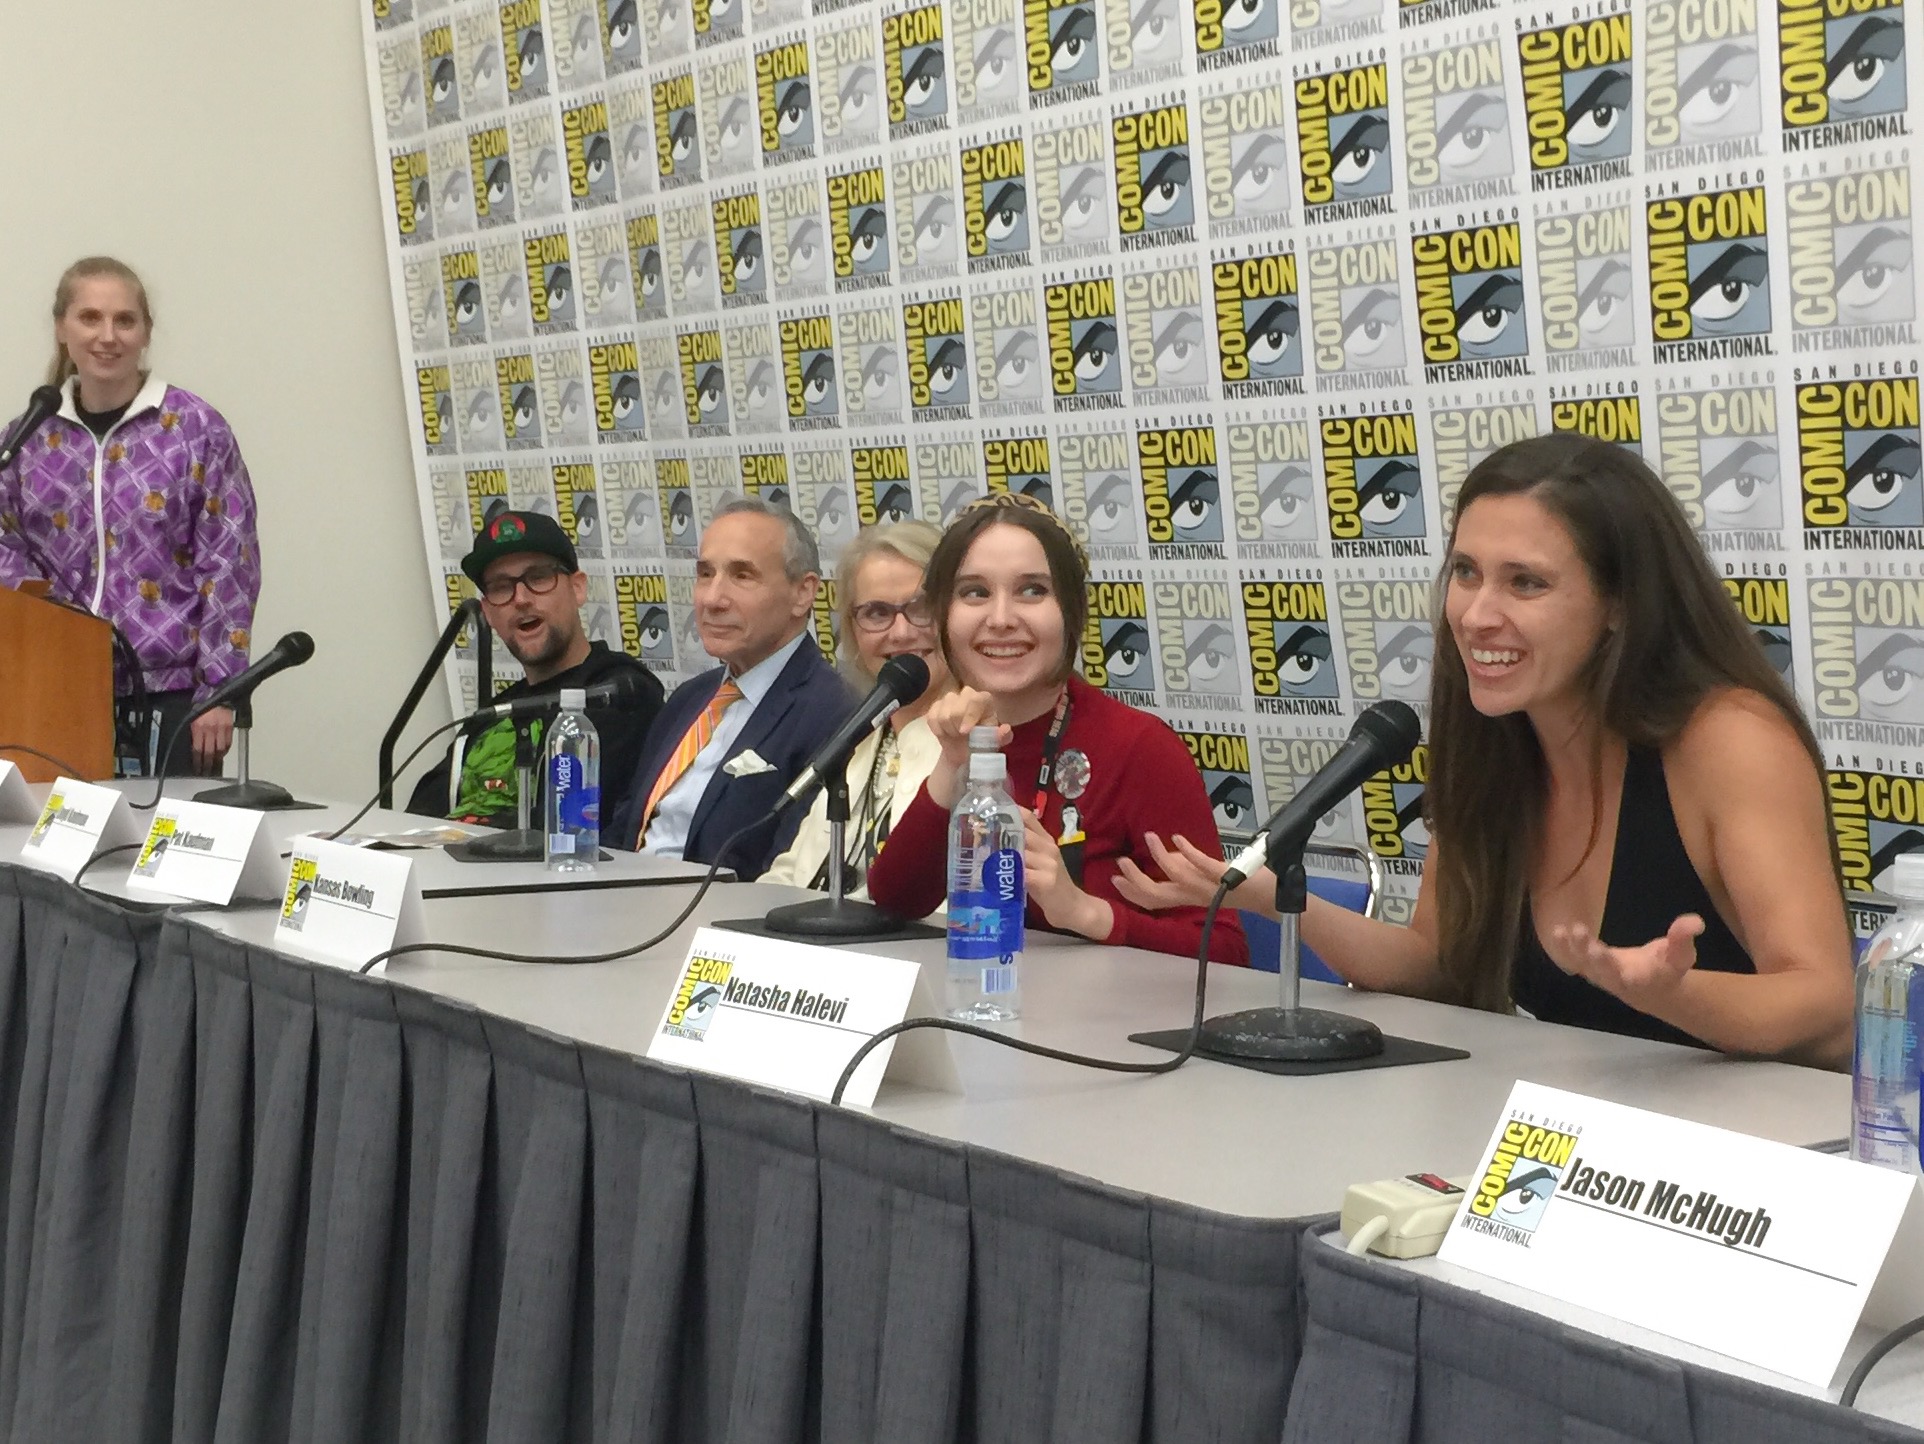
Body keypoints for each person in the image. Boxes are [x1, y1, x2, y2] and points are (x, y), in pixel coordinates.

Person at [1116, 435, 1854, 1065]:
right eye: (1465, 572)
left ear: (1619, 606)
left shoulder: (1728, 738)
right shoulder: (1497, 734)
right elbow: (1437, 963)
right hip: (1598, 1130)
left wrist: (1672, 993)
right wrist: (1275, 899)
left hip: (1767, 1150)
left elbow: (1823, 1001)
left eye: (1525, 582)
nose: (1476, 614)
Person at [864, 493, 1247, 963]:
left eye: (1032, 591)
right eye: (975, 592)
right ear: (943, 616)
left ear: (1071, 612)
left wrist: (1087, 914)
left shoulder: (1138, 747)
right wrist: (953, 766)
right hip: (979, 1006)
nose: (1001, 619)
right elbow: (896, 901)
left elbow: (1228, 955)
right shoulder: (951, 732)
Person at [0, 257, 260, 776]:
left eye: (124, 320)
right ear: (61, 329)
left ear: (144, 333)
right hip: (56, 684)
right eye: (90, 318)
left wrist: (221, 690)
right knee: (56, 846)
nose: (107, 336)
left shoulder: (194, 429)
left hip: (171, 689)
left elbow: (230, 563)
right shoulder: (32, 435)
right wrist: (43, 605)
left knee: (160, 849)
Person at [610, 497, 851, 878]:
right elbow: (624, 829)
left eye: (742, 576)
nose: (712, 599)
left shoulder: (833, 711)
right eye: (705, 574)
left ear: (803, 593)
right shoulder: (689, 698)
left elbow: (792, 870)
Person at [408, 510, 664, 828]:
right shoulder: (493, 715)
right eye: (501, 587)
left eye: (538, 578)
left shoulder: (618, 695)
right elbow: (416, 821)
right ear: (487, 612)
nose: (521, 599)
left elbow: (570, 827)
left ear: (578, 588)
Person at [764, 520, 952, 896]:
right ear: (852, 630)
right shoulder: (858, 738)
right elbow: (790, 876)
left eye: (921, 608)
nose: (900, 632)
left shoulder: (981, 742)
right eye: (877, 613)